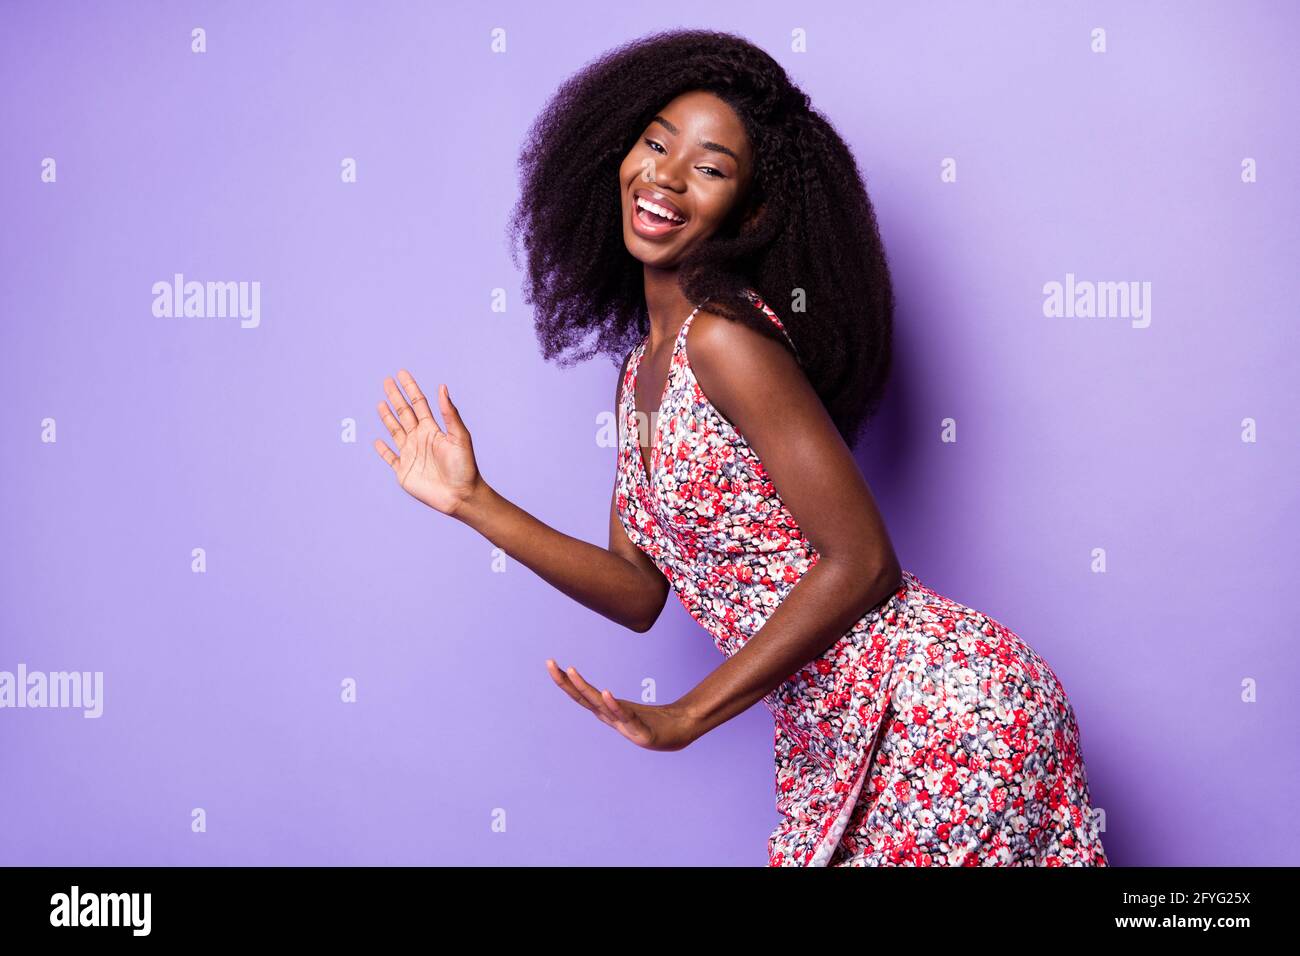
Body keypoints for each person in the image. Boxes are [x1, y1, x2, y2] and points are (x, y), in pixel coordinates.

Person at [373, 28, 1108, 867]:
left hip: (935, 706)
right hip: (832, 735)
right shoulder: (639, 375)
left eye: (711, 167)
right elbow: (639, 589)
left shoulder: (725, 342)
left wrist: (686, 715)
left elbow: (865, 561)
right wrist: (475, 502)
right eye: (655, 143)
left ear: (748, 212)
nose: (666, 175)